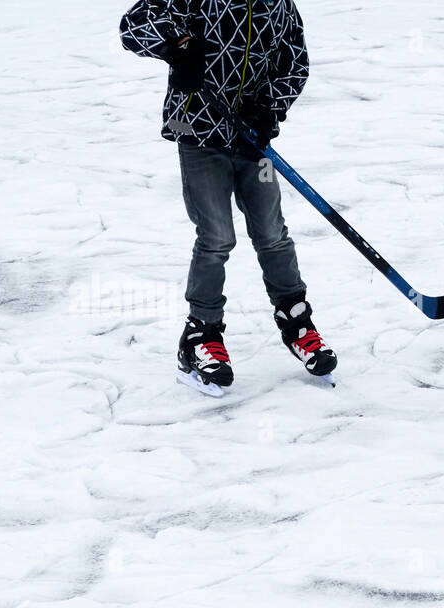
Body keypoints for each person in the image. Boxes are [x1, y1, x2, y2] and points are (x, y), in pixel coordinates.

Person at [120, 0, 337, 395]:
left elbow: (295, 62)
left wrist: (267, 108)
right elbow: (133, 26)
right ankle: (200, 336)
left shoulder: (279, 5)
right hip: (198, 132)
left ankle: (297, 322)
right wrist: (178, 47)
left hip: (254, 139)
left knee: (272, 232)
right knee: (217, 236)